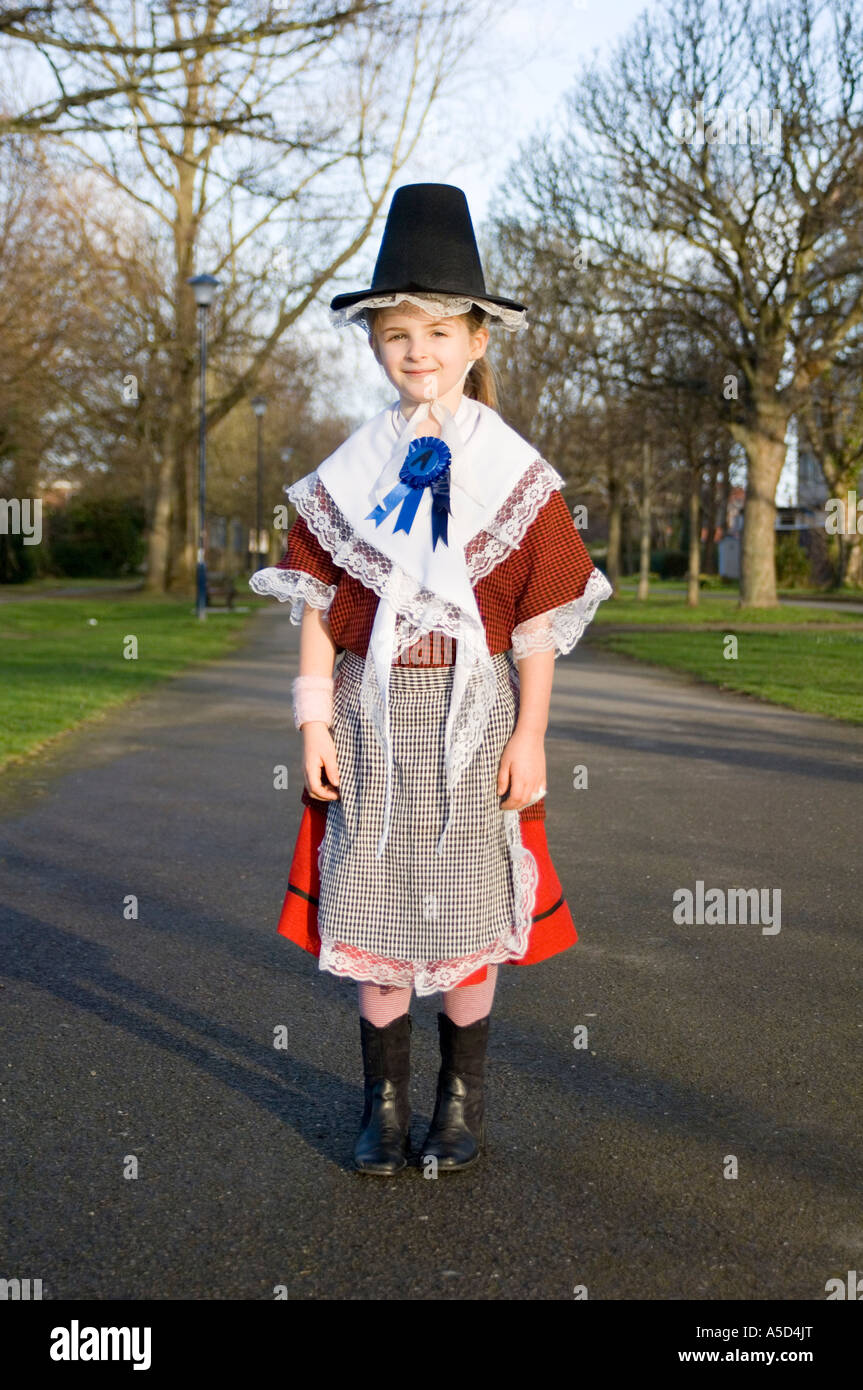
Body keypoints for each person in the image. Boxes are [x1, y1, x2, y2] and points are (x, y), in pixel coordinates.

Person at [250, 183, 612, 1176]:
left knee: (462, 912)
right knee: (366, 901)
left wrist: (531, 733)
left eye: (438, 331)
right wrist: (312, 721)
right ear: (373, 341)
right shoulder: (347, 472)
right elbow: (320, 605)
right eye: (396, 332)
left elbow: (536, 617)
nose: (417, 350)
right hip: (370, 716)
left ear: (476, 338)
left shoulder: (513, 474)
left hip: (474, 714)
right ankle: (383, 1106)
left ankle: (458, 1104)